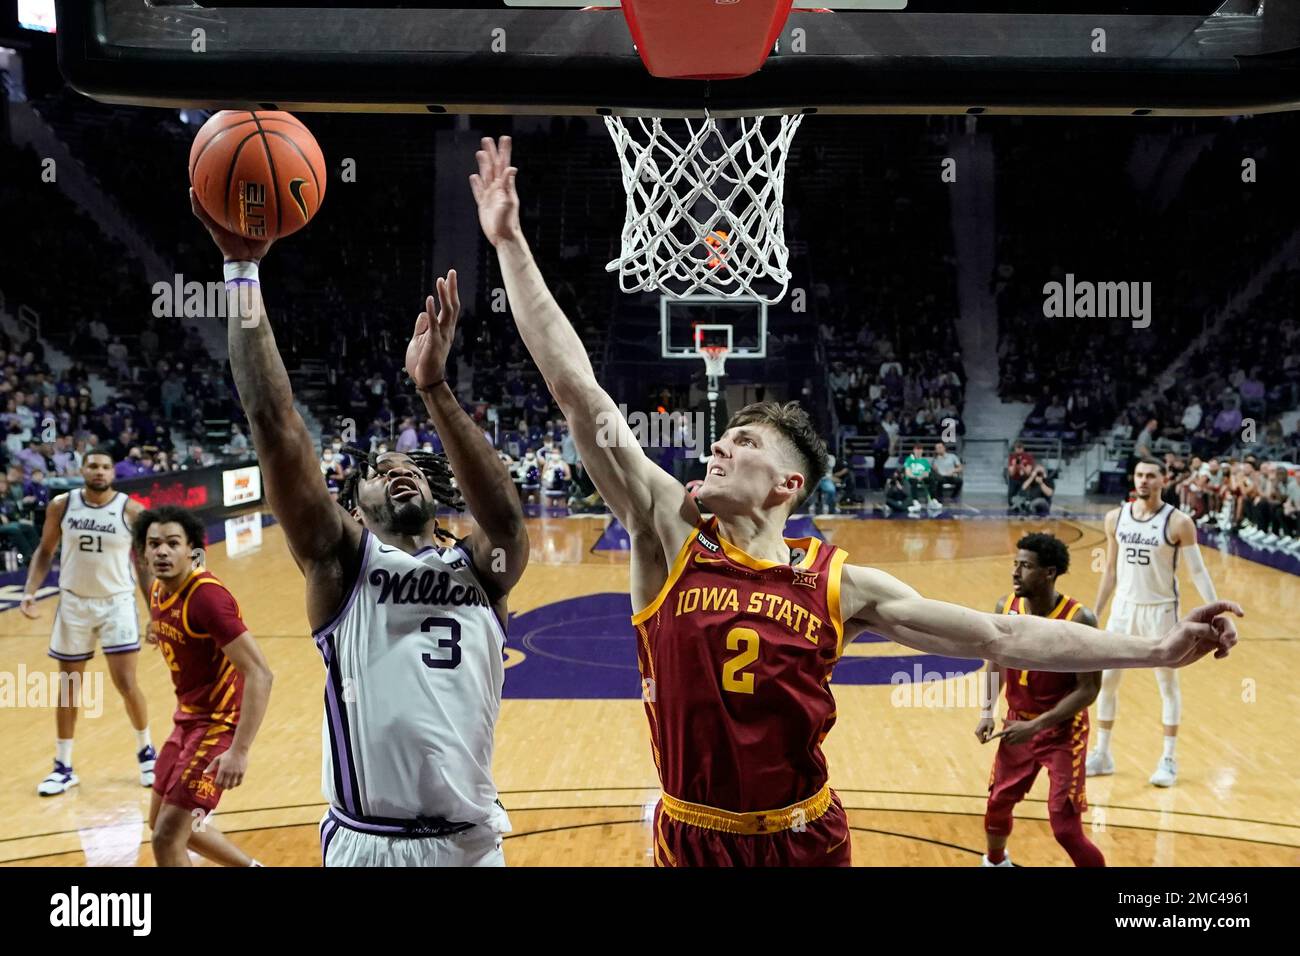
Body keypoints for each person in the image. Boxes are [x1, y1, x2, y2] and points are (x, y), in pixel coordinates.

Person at [471, 135, 1240, 867]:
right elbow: (580, 395)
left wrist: (1154, 649)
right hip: (693, 834)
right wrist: (510, 244)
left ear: (786, 486)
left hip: (808, 836)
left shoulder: (839, 584)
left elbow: (1001, 636)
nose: (718, 448)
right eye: (722, 440)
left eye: (743, 444)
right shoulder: (670, 536)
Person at [191, 188, 529, 866]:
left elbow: (505, 519)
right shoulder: (339, 563)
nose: (398, 471)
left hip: (471, 846)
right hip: (369, 845)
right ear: (353, 508)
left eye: (409, 466)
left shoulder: (479, 572)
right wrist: (241, 271)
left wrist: (434, 388)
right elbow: (276, 426)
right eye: (378, 469)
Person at [135, 506, 273, 867]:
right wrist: (155, 627)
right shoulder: (158, 592)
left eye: (172, 543)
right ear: (143, 552)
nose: (162, 551)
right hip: (187, 721)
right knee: (163, 824)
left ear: (190, 548)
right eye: (154, 544)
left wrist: (239, 750)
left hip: (218, 726)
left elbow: (260, 672)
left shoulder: (206, 597)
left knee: (167, 837)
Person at [21, 451, 156, 797]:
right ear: (81, 470)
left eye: (105, 466)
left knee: (126, 682)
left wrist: (155, 613)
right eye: (93, 466)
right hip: (74, 604)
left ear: (113, 472)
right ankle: (63, 766)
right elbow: (45, 550)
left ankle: (146, 754)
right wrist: (30, 592)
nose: (99, 471)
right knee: (69, 686)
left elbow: (142, 564)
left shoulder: (131, 510)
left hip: (117, 603)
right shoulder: (61, 506)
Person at [1087, 458, 1223, 787]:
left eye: (1151, 475)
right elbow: (1111, 571)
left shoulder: (1179, 523)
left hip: (1161, 612)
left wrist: (1214, 610)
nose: (1144, 480)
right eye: (1139, 475)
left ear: (1164, 480)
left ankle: (1168, 759)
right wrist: (1095, 613)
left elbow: (1198, 571)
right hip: (1123, 609)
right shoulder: (1115, 518)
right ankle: (1103, 753)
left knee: (1167, 686)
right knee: (1106, 682)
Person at [976, 533, 1104, 867]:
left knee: (1064, 827)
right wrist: (987, 710)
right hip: (1018, 723)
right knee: (998, 803)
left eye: (1026, 566)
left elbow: (1089, 690)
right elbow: (995, 661)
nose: (1016, 572)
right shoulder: (1005, 608)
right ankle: (995, 862)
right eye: (1015, 564)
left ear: (1049, 572)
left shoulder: (1080, 619)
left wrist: (1037, 726)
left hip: (1062, 728)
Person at [902, 443, 938, 514]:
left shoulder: (925, 461)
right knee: (913, 481)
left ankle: (933, 500)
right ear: (914, 450)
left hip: (922, 477)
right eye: (917, 449)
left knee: (932, 480)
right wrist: (916, 477)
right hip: (911, 477)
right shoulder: (909, 459)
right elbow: (908, 472)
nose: (918, 451)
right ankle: (915, 502)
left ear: (922, 451)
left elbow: (927, 473)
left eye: (920, 449)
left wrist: (920, 477)